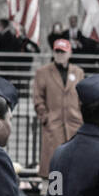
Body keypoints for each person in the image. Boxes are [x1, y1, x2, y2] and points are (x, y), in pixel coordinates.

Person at [32, 38, 85, 176]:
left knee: (75, 167)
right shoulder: (43, 72)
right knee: (55, 167)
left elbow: (83, 98)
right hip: (54, 125)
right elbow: (38, 98)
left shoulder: (78, 72)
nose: (60, 54)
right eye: (58, 51)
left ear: (70, 53)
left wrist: (82, 118)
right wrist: (45, 117)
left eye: (63, 52)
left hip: (75, 125)